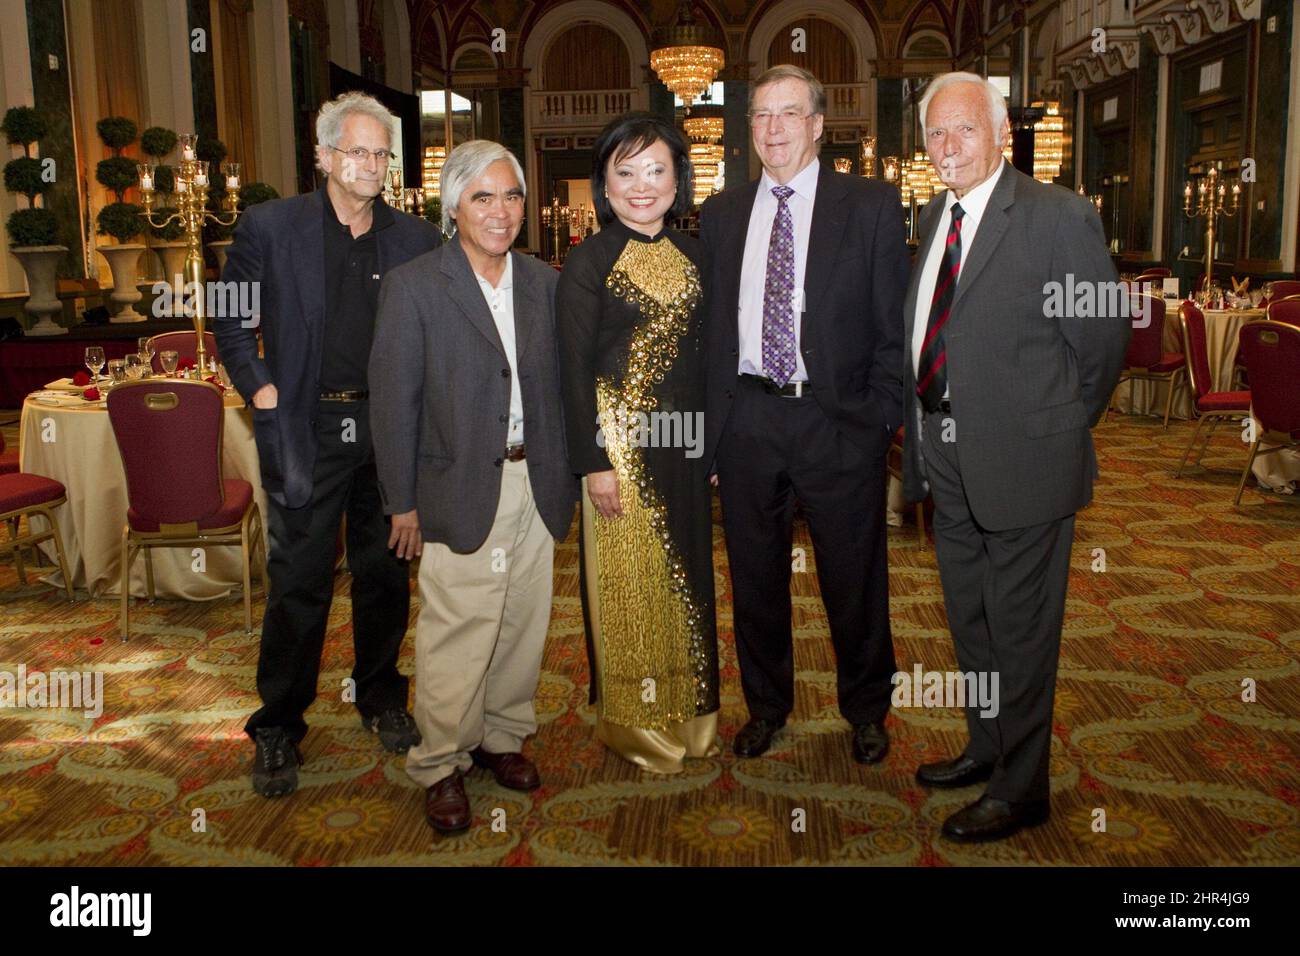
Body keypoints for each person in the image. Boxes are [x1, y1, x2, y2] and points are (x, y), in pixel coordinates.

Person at [902, 72, 1128, 841]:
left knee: (1023, 627)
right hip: (946, 452)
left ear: (1002, 131)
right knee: (970, 615)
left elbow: (1100, 341)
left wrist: (1056, 426)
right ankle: (989, 746)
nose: (948, 145)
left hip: (1025, 460)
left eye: (964, 129)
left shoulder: (1057, 216)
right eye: (936, 132)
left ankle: (1023, 788)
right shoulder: (935, 214)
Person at [216, 91, 440, 798]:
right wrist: (261, 390)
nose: (373, 164)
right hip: (306, 430)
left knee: (384, 575)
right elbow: (230, 322)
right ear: (324, 156)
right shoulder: (269, 228)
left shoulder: (415, 238)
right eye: (358, 151)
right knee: (300, 581)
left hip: (388, 432)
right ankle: (278, 724)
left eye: (382, 153)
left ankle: (379, 696)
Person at [699, 65, 909, 763]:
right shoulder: (723, 213)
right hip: (750, 423)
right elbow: (712, 331)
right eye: (761, 115)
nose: (774, 129)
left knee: (854, 577)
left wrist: (879, 419)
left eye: (790, 114)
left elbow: (892, 328)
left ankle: (866, 708)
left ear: (818, 125)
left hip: (837, 423)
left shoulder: (872, 205)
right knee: (755, 578)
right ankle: (766, 706)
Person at [369, 140, 577, 835]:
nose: (501, 210)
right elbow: (392, 402)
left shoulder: (547, 283)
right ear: (453, 205)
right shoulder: (415, 284)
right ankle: (440, 762)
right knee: (458, 631)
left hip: (535, 482)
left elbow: (564, 390)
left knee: (522, 622)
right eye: (483, 196)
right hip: (455, 486)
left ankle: (502, 736)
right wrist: (401, 499)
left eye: (511, 195)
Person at [556, 113, 719, 774]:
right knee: (631, 586)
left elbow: (710, 360)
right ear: (604, 184)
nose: (642, 185)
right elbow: (572, 371)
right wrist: (592, 464)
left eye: (656, 170)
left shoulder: (699, 254)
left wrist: (711, 451)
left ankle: (694, 718)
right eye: (626, 172)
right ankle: (638, 726)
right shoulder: (588, 261)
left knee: (690, 581)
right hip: (619, 450)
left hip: (686, 448)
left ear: (678, 180)